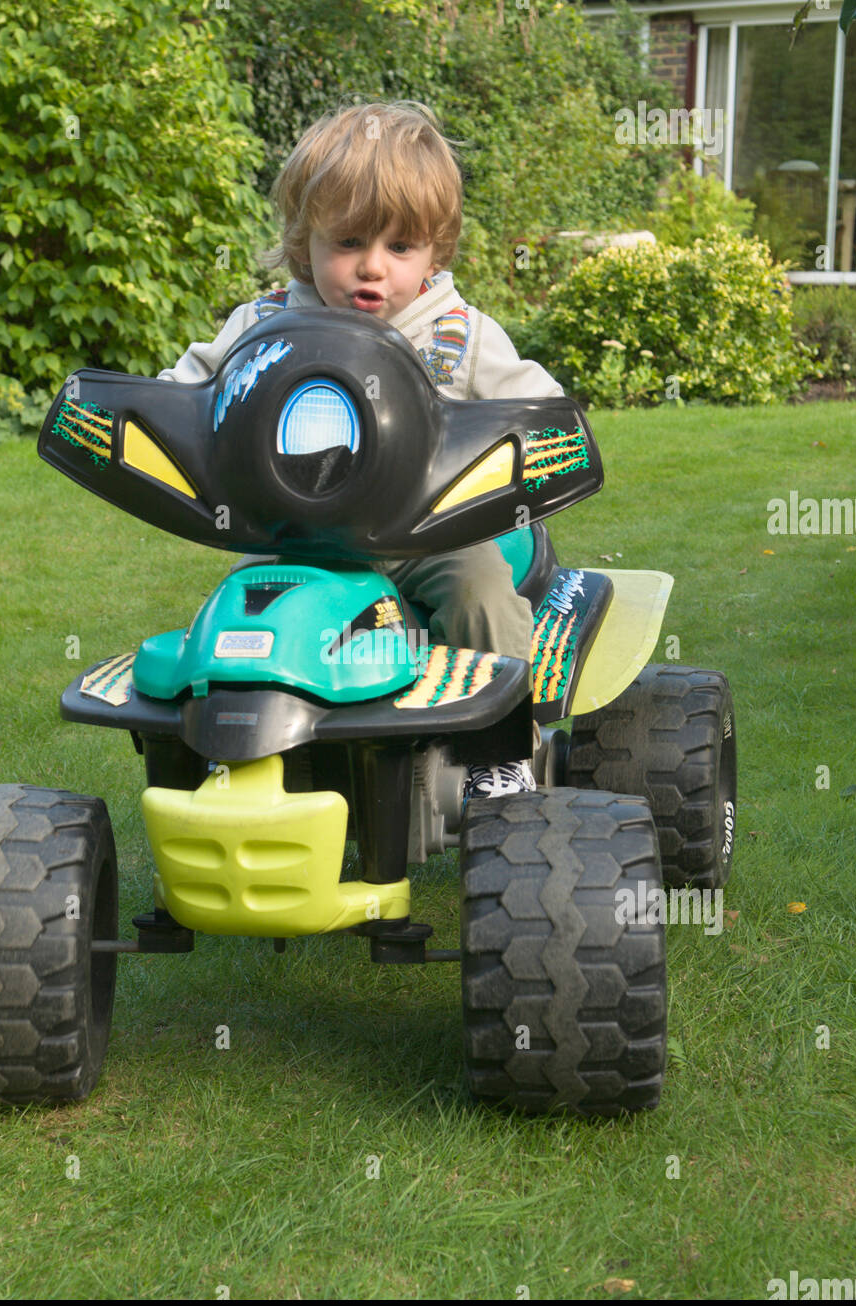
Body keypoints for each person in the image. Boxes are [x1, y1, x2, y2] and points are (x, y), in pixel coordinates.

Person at [159, 100, 564, 799]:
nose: (372, 268)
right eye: (347, 243)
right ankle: (239, 758)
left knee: (480, 594)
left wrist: (545, 431)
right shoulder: (264, 326)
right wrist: (144, 415)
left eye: (400, 248)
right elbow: (185, 391)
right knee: (237, 618)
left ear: (435, 250)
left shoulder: (458, 333)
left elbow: (539, 408)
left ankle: (497, 752)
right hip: (297, 538)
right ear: (302, 239)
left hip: (430, 535)